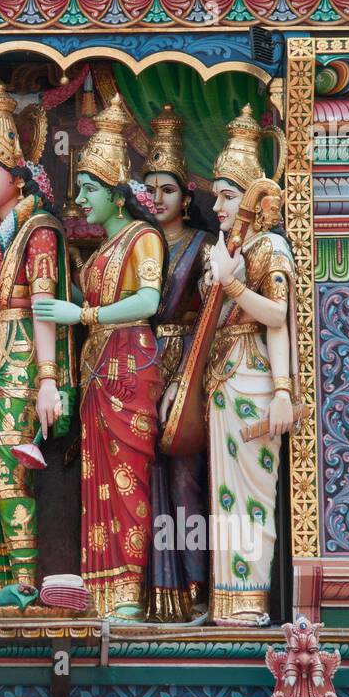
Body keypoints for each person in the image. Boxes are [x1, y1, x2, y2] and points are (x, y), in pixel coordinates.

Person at [34, 95, 165, 620]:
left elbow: (148, 302)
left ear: (116, 194)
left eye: (90, 188)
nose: (81, 197)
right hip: (98, 376)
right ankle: (102, 590)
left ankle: (128, 594)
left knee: (126, 483)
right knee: (97, 484)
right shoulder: (96, 256)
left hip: (130, 369)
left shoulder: (145, 239)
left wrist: (83, 317)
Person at [0, 83, 74, 614]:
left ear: (17, 174)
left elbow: (44, 307)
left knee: (11, 473)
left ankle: (25, 585)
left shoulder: (38, 231)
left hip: (22, 358)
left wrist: (49, 379)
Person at [203, 106, 298, 626]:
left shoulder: (268, 246)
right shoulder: (228, 248)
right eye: (215, 194)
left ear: (254, 202)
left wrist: (284, 391)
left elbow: (278, 317)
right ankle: (228, 597)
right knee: (225, 496)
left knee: (252, 496)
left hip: (257, 378)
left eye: (228, 195)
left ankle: (252, 598)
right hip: (223, 379)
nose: (217, 205)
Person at [143, 105, 216, 622]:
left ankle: (194, 583)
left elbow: (212, 313)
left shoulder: (203, 245)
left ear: (186, 197)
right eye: (150, 189)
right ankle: (153, 590)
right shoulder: (134, 241)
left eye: (167, 189)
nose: (158, 199)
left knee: (187, 478)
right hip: (141, 360)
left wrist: (185, 376)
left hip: (187, 360)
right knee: (145, 477)